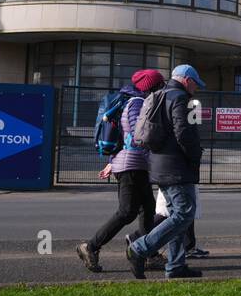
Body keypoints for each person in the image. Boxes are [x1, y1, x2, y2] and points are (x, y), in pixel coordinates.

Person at [76, 69, 165, 273]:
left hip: (135, 165)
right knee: (127, 212)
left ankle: (147, 253)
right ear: (151, 87)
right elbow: (137, 135)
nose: (161, 89)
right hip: (132, 165)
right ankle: (90, 247)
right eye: (159, 86)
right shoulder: (137, 103)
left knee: (148, 211)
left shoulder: (134, 101)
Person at [126, 64, 206, 279]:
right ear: (187, 80)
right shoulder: (181, 99)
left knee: (176, 214)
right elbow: (184, 133)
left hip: (159, 165)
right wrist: (196, 156)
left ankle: (176, 266)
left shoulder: (158, 95)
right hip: (177, 167)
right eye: (195, 84)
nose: (196, 88)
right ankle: (140, 248)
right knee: (184, 213)